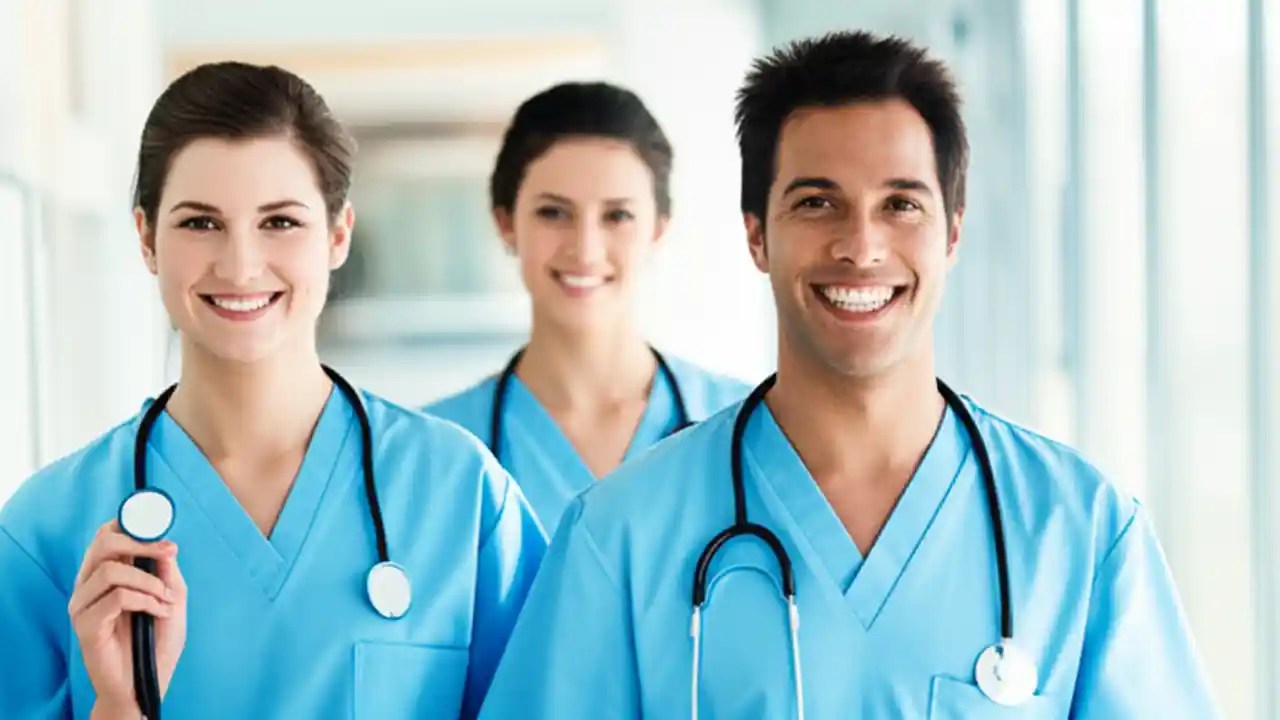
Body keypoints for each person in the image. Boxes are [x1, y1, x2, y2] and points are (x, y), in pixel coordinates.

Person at [475, 31, 1220, 718]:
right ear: (756, 235)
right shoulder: (620, 534)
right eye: (817, 202)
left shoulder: (1080, 530)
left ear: (952, 232)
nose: (861, 246)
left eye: (900, 204)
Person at [0, 62, 545, 719]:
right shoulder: (48, 529)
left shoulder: (460, 497)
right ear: (146, 237)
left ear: (337, 235)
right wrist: (117, 707)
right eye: (200, 223)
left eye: (280, 222)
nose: (239, 266)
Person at [425, 82, 750, 534]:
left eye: (617, 216)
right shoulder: (436, 447)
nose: (585, 248)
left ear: (658, 230)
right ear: (505, 223)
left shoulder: (750, 426)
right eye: (553, 213)